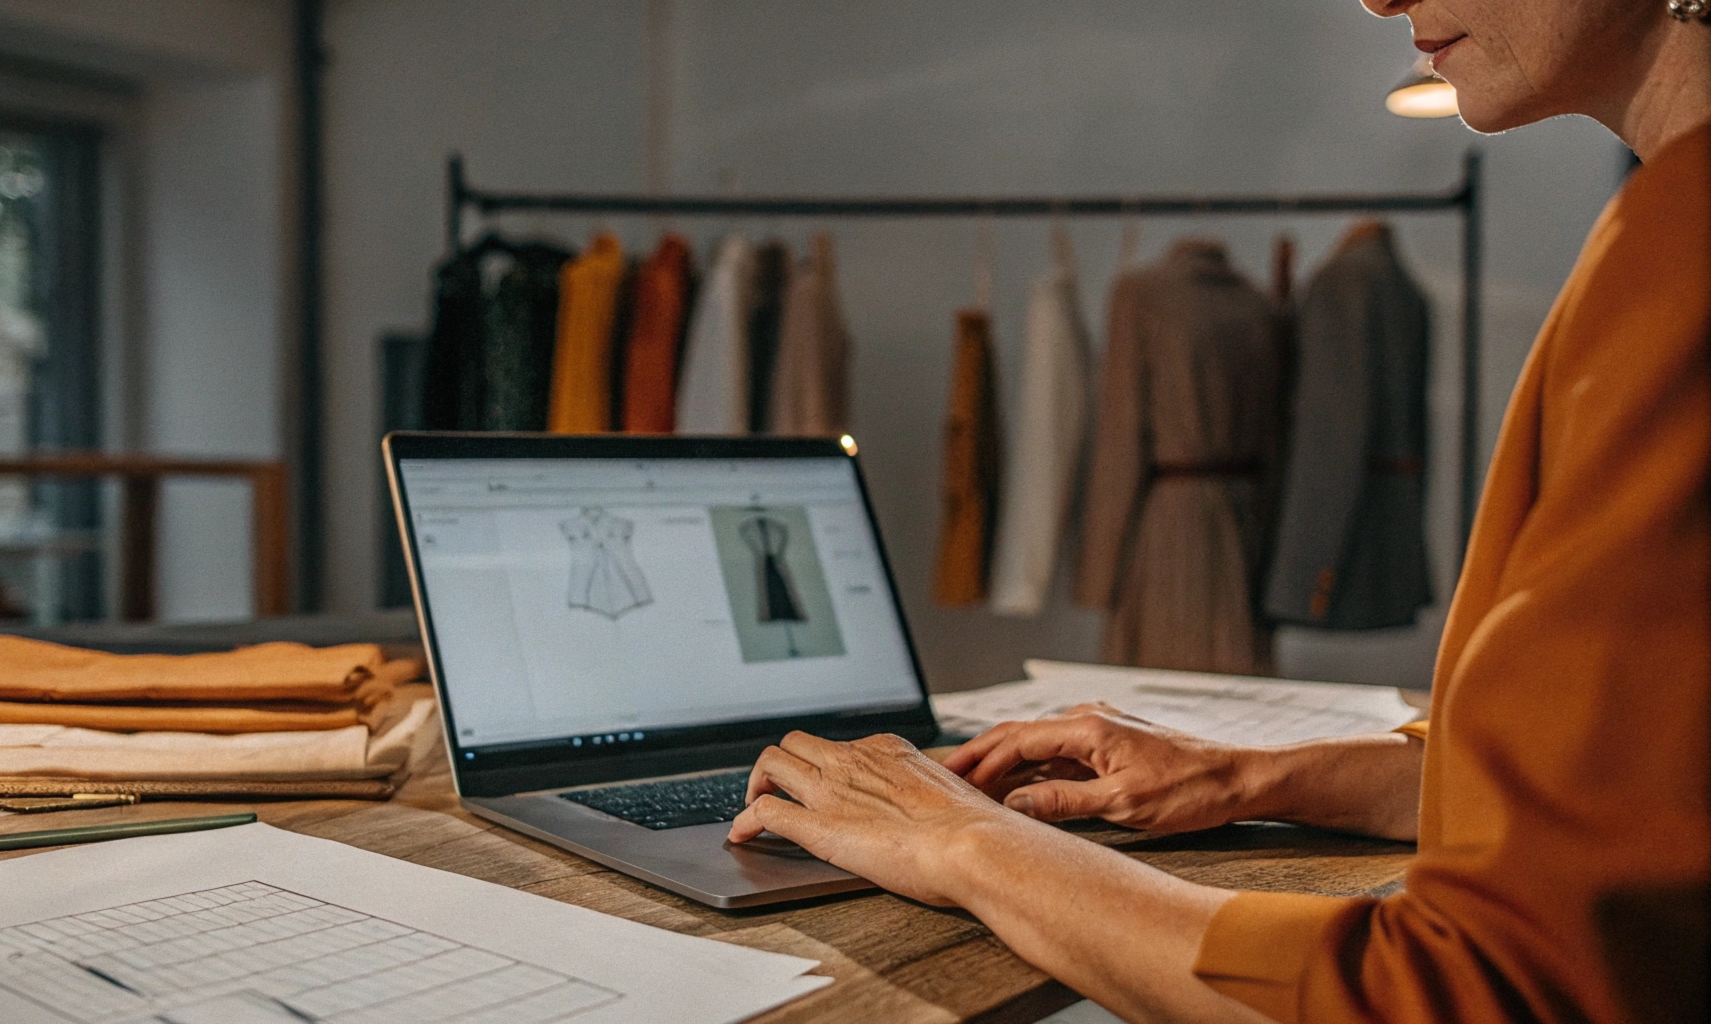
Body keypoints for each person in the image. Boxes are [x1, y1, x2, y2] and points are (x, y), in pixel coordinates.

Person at [726, 1, 1711, 1021]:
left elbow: (1481, 989)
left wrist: (965, 841)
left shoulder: (1680, 246)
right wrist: (1249, 775)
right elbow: (1646, 798)